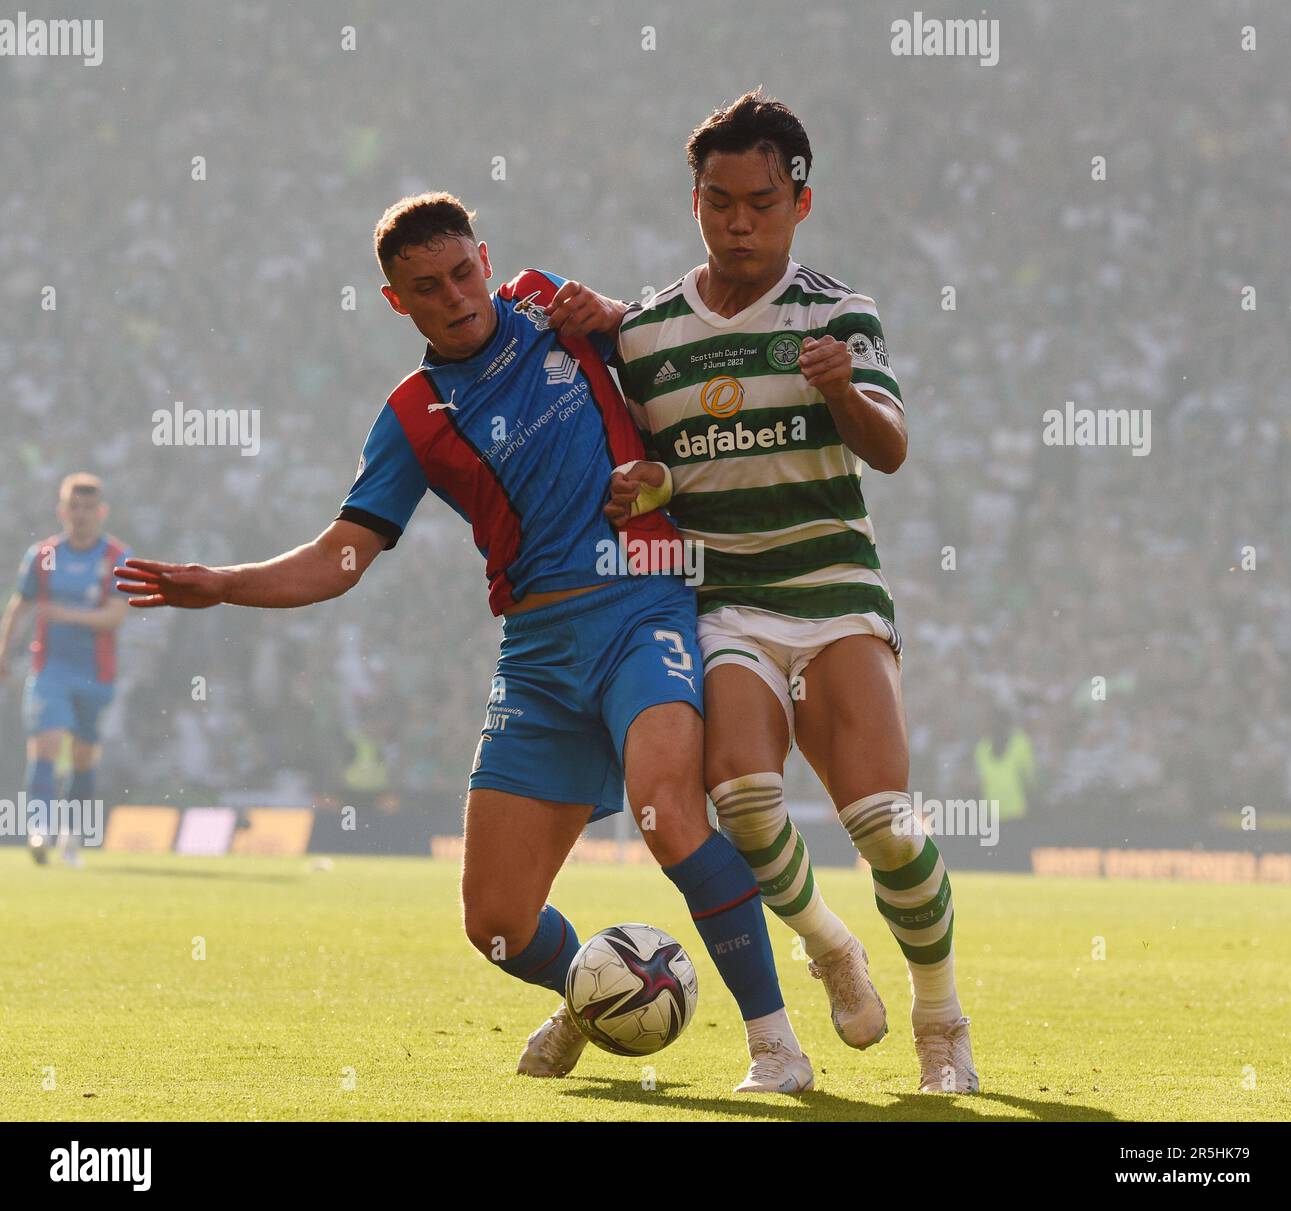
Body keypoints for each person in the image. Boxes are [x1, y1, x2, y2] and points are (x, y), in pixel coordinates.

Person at [115, 192, 814, 1094]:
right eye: (427, 287)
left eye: (462, 273)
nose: (455, 296)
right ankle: (593, 992)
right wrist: (223, 584)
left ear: (486, 259)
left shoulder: (553, 307)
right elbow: (341, 558)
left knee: (669, 813)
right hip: (537, 650)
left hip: (642, 606)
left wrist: (633, 369)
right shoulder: (410, 416)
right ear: (395, 302)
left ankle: (775, 1046)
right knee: (495, 921)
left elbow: (675, 370)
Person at [605, 92, 979, 1093]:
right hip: (723, 595)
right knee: (742, 796)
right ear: (694, 200)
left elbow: (890, 451)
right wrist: (641, 484)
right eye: (718, 202)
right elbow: (657, 468)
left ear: (799, 203)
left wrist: (841, 390)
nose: (738, 223)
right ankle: (829, 945)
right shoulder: (645, 334)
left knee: (886, 826)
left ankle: (940, 1017)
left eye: (761, 203)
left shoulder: (837, 311)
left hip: (832, 585)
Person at [0, 473, 130, 866]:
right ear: (62, 511)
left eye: (88, 508)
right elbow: (19, 605)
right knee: (47, 743)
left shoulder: (116, 558)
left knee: (84, 755)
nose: (81, 515)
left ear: (101, 512)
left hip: (96, 672)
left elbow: (115, 617)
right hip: (49, 667)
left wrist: (64, 614)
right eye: (74, 507)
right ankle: (40, 829)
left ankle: (72, 834)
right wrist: (3, 652)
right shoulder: (42, 556)